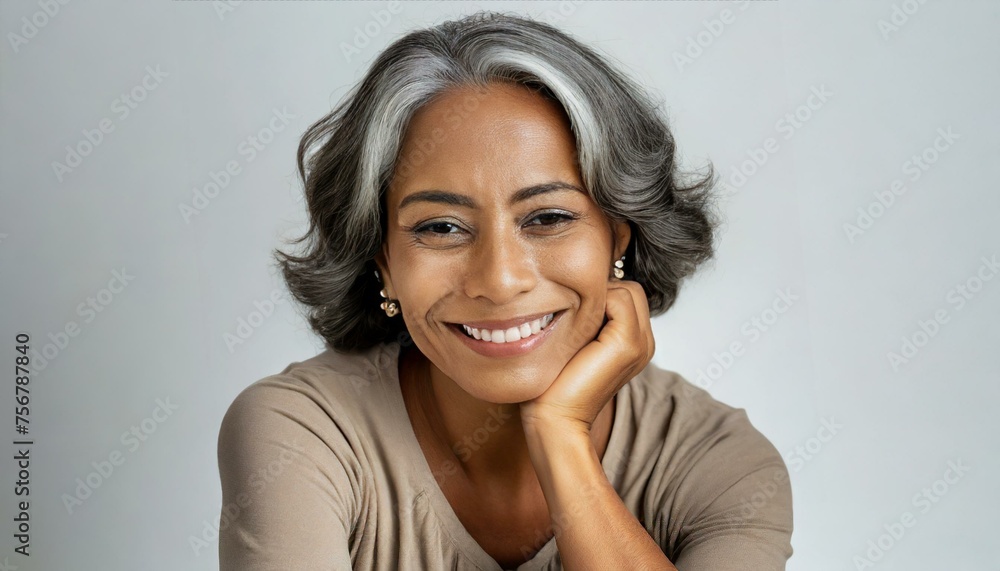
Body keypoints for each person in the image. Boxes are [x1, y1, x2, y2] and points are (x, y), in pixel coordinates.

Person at [217, 11, 793, 571]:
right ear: (383, 262)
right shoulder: (302, 431)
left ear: (618, 238)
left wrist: (560, 436)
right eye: (440, 227)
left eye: (546, 218)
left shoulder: (724, 466)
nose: (499, 280)